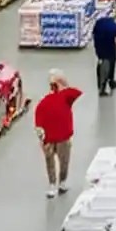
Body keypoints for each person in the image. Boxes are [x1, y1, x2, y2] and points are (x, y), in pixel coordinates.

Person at [34, 69, 81, 198]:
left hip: (58, 137)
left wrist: (64, 83)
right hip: (53, 138)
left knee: (58, 161)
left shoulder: (64, 97)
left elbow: (76, 92)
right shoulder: (50, 100)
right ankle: (56, 183)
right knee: (56, 161)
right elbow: (38, 119)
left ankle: (58, 183)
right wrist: (41, 134)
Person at [92, 11, 116, 95]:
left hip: (99, 45)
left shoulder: (98, 23)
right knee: (110, 62)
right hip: (110, 47)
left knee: (101, 61)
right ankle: (106, 85)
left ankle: (104, 84)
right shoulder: (114, 26)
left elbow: (93, 33)